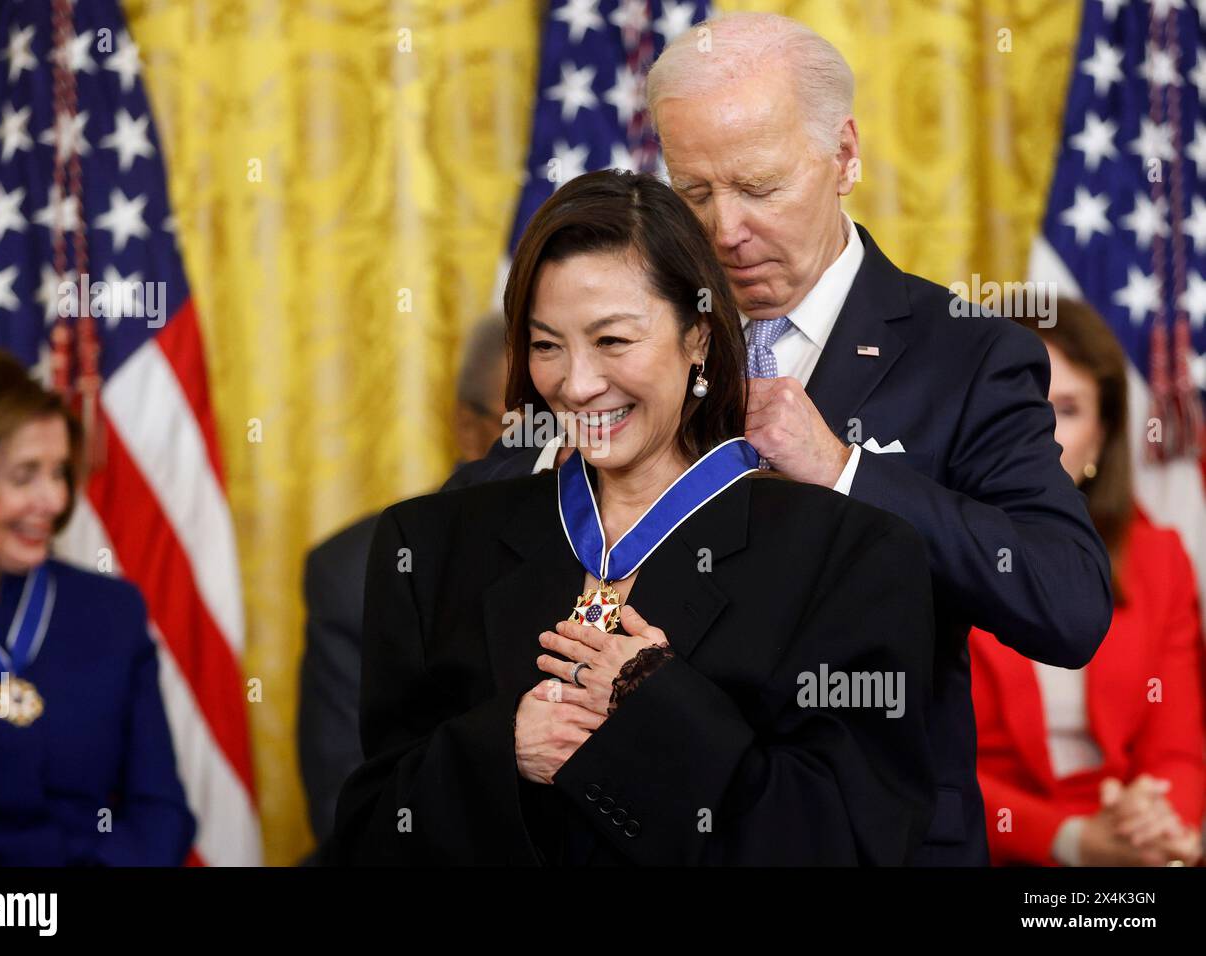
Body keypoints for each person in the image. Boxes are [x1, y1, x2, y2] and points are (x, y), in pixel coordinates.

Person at [450, 12, 1113, 864]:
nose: (725, 230)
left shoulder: (965, 353)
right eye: (694, 192)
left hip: (865, 838)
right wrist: (569, 453)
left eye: (759, 188)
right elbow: (467, 527)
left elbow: (1067, 601)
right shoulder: (622, 337)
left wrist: (841, 470)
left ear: (845, 155)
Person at [332, 169, 937, 865]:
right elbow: (371, 833)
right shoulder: (428, 545)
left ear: (699, 337)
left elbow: (850, 845)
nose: (577, 383)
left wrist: (653, 704)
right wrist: (504, 749)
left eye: (613, 341)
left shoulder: (851, 554)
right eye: (547, 345)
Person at [0, 348, 195, 865]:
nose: (56, 500)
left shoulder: (112, 612)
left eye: (59, 472)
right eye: (25, 476)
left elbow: (160, 812)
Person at [970, 299, 1205, 867]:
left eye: (1068, 409)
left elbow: (1178, 751)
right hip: (982, 849)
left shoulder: (1158, 557)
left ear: (1100, 438)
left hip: (1130, 849)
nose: (1041, 432)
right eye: (1021, 404)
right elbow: (911, 768)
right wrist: (1071, 841)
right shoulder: (919, 548)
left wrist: (1155, 824)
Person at [299, 313, 509, 848]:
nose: (558, 449)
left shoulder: (635, 549)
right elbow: (349, 810)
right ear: (468, 428)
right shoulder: (356, 573)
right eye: (532, 427)